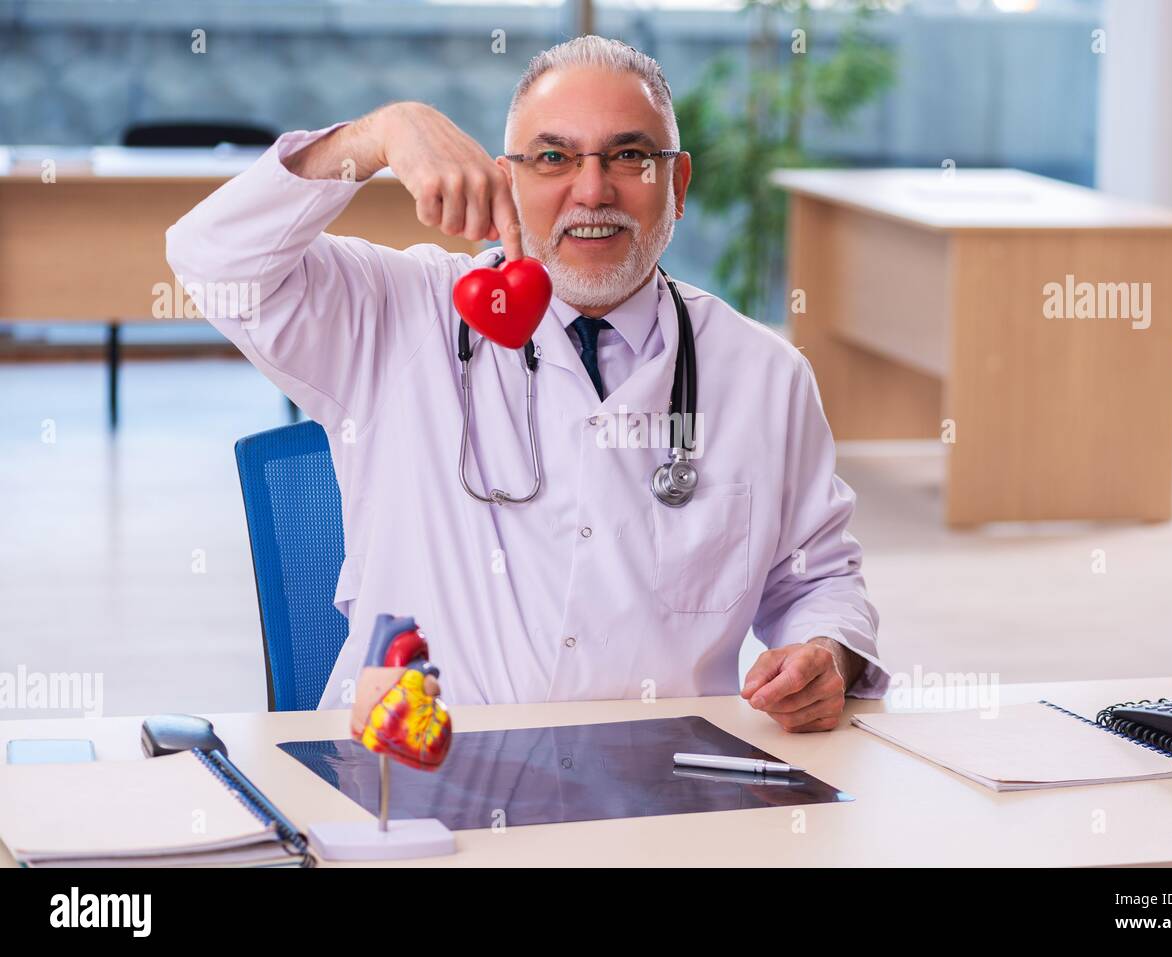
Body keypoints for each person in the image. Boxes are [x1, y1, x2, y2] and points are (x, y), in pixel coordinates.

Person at [166, 35, 887, 732]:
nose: (592, 188)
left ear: (678, 183)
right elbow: (213, 262)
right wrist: (377, 136)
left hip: (660, 793)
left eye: (630, 155)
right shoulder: (397, 312)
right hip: (421, 783)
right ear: (508, 178)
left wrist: (827, 652)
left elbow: (816, 577)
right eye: (553, 157)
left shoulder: (765, 375)